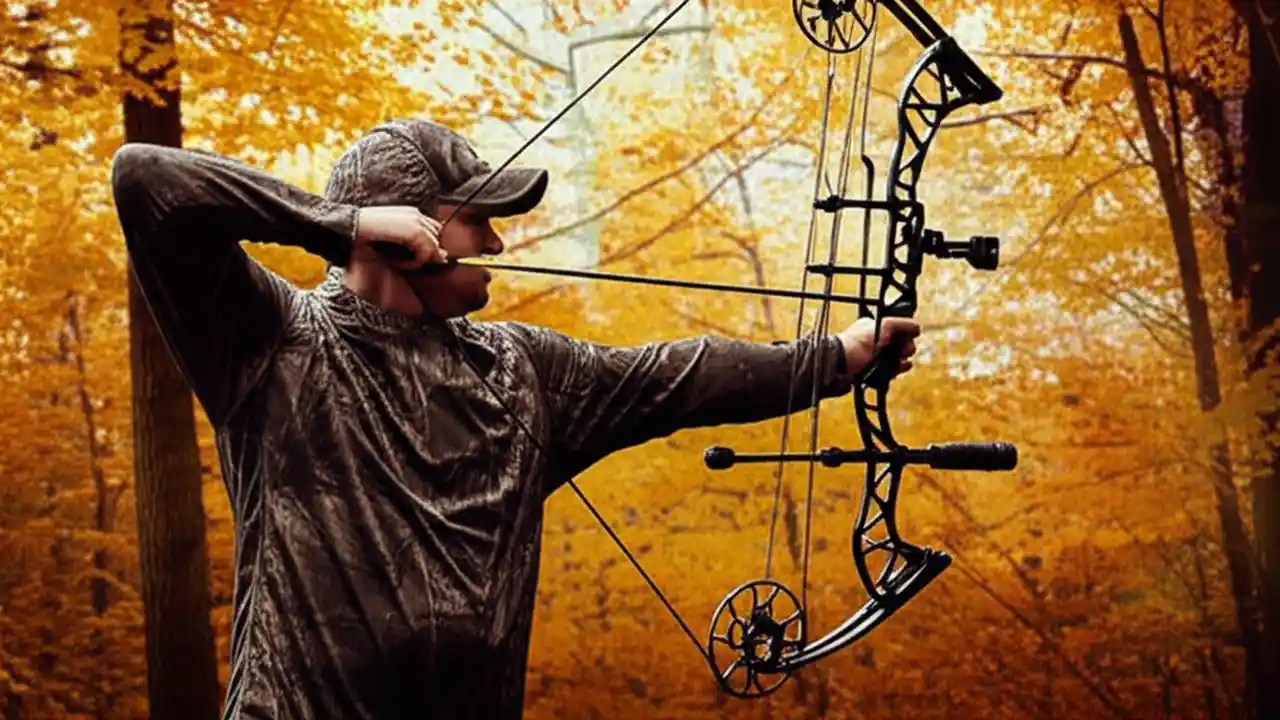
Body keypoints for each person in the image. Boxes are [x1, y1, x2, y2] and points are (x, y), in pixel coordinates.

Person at [110, 117, 920, 719]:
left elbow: (676, 376)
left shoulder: (521, 369)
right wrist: (344, 225)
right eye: (478, 220)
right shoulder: (275, 345)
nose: (497, 244)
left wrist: (838, 356)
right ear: (405, 233)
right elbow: (146, 179)